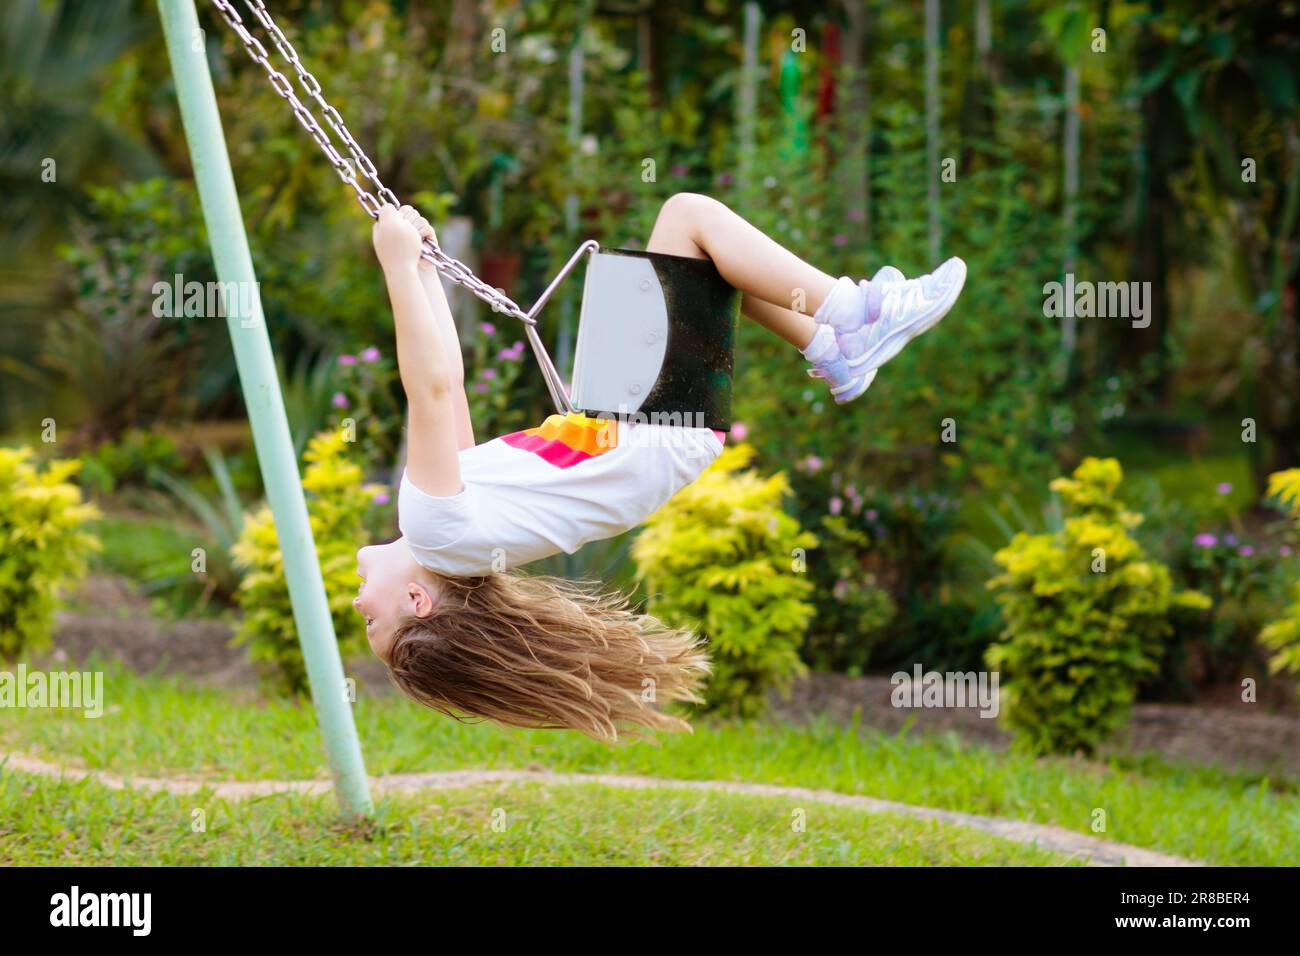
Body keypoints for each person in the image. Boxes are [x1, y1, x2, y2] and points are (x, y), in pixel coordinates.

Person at [355, 193, 966, 741]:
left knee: (699, 262)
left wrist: (423, 272)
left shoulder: (450, 534)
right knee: (687, 219)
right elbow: (430, 390)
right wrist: (393, 267)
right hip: (650, 426)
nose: (358, 604)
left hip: (629, 417)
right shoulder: (436, 532)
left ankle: (835, 349)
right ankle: (860, 313)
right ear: (417, 598)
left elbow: (450, 389)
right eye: (373, 619)